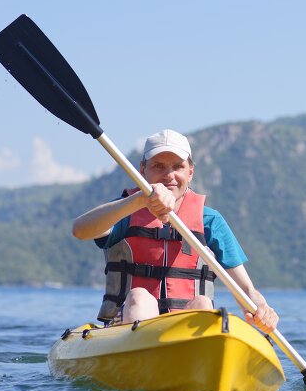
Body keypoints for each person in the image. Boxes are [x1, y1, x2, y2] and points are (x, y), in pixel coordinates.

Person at [72, 129, 278, 334]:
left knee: (203, 303)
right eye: (158, 166)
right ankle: (141, 345)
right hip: (129, 325)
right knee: (139, 297)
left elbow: (246, 289)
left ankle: (194, 349)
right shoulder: (125, 211)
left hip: (183, 329)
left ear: (190, 172)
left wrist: (261, 308)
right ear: (142, 170)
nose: (169, 175)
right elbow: (80, 230)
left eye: (178, 166)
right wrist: (140, 200)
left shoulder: (210, 221)